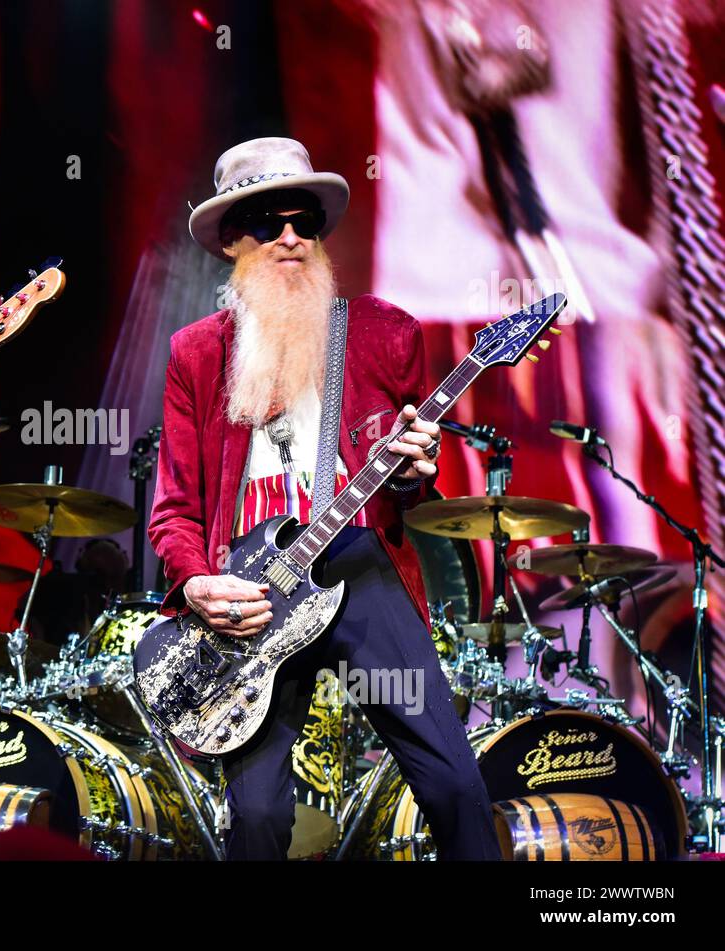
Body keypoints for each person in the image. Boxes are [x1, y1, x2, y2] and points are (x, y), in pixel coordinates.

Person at [149, 137, 503, 860]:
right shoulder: (194, 353)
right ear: (229, 244)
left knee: (456, 787)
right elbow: (174, 509)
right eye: (267, 221)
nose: (289, 236)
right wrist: (197, 582)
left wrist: (411, 469)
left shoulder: (384, 332)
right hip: (248, 595)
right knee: (253, 820)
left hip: (358, 565)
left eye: (304, 220)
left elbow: (412, 481)